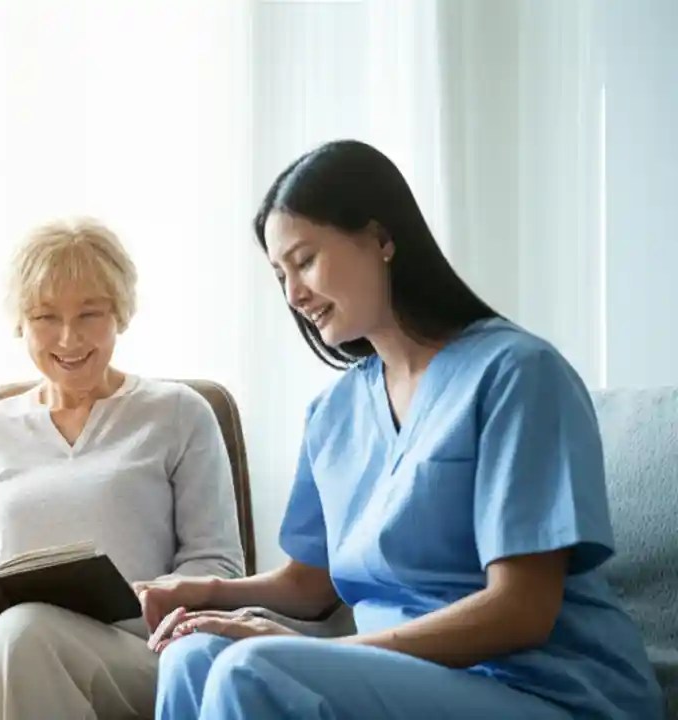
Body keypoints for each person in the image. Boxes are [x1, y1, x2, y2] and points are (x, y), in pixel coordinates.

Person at [142, 140, 664, 719]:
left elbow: (522, 609)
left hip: (545, 691)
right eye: (280, 274)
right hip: (404, 680)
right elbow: (311, 585)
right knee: (192, 656)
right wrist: (206, 595)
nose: (293, 294)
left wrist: (320, 652)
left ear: (381, 239)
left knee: (253, 670)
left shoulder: (517, 375)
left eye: (305, 260)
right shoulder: (333, 412)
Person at [0, 217, 245, 720]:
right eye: (46, 317)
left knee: (26, 630)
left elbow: (219, 566)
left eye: (90, 314)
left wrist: (149, 596)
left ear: (120, 313)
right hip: (8, 641)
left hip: (132, 652)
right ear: (21, 324)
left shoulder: (178, 413)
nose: (69, 339)